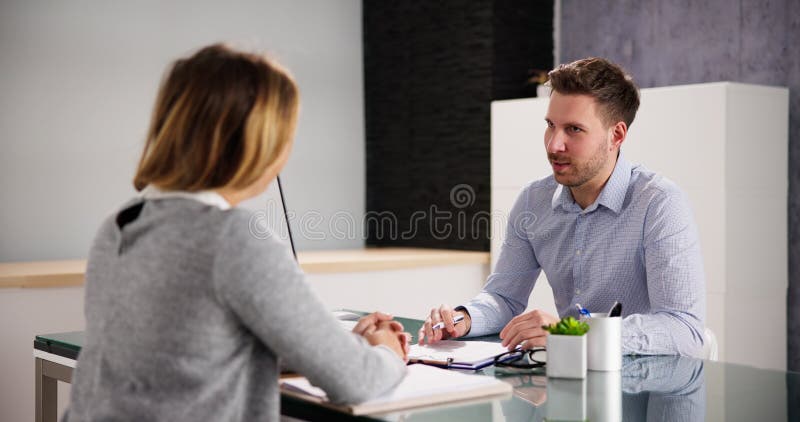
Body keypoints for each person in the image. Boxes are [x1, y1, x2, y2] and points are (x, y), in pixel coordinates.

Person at [64, 44, 409, 421]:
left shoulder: (119, 226)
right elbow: (357, 380)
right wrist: (388, 350)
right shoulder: (233, 239)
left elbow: (191, 356)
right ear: (258, 144)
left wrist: (340, 346)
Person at [419, 57, 705, 357]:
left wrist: (571, 334)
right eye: (550, 126)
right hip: (566, 378)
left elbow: (684, 329)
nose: (554, 145)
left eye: (574, 130)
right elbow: (504, 297)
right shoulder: (534, 200)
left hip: (646, 388)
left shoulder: (660, 204)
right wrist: (462, 320)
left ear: (616, 135)